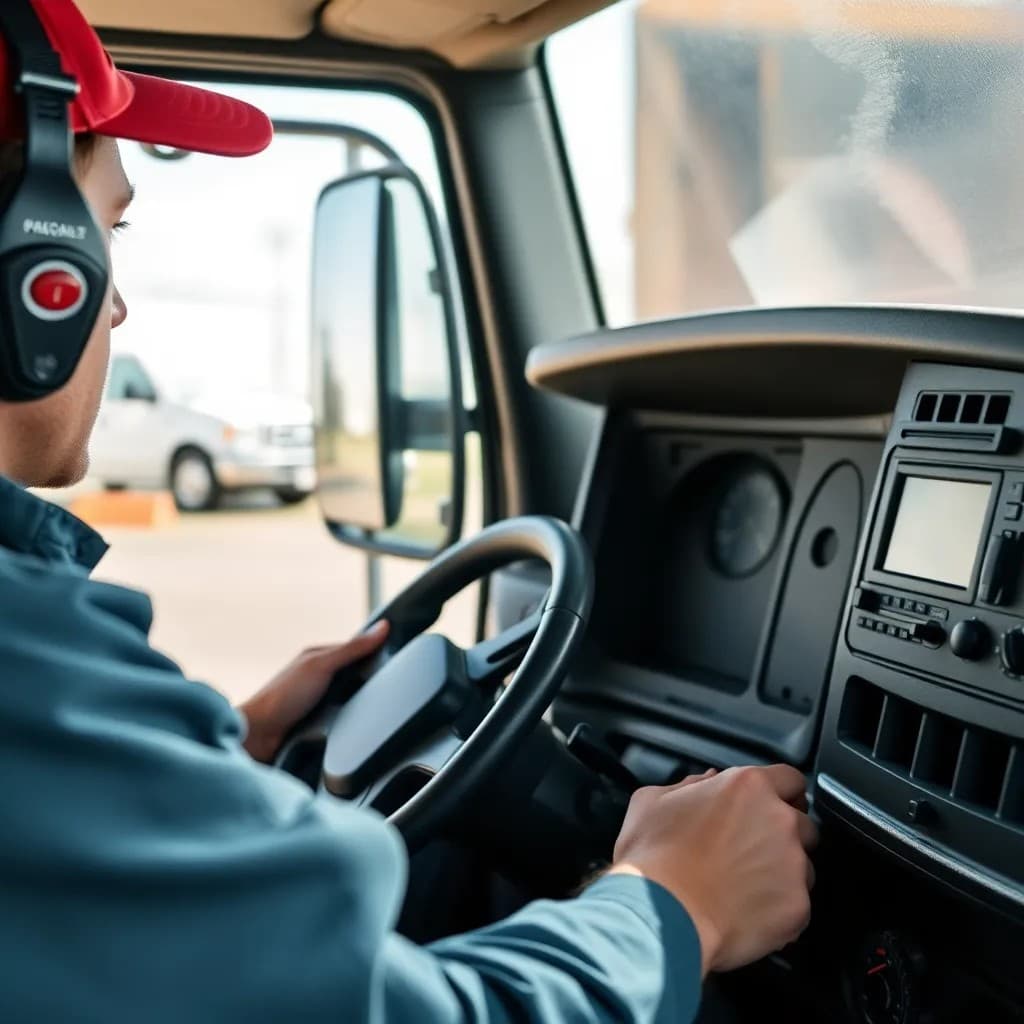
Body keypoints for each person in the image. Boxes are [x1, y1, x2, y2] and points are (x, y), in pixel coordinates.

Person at [0, 2, 818, 1021]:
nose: (117, 300)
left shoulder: (36, 675)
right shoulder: (23, 661)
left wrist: (227, 743)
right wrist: (675, 901)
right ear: (39, 273)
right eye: (109, 229)